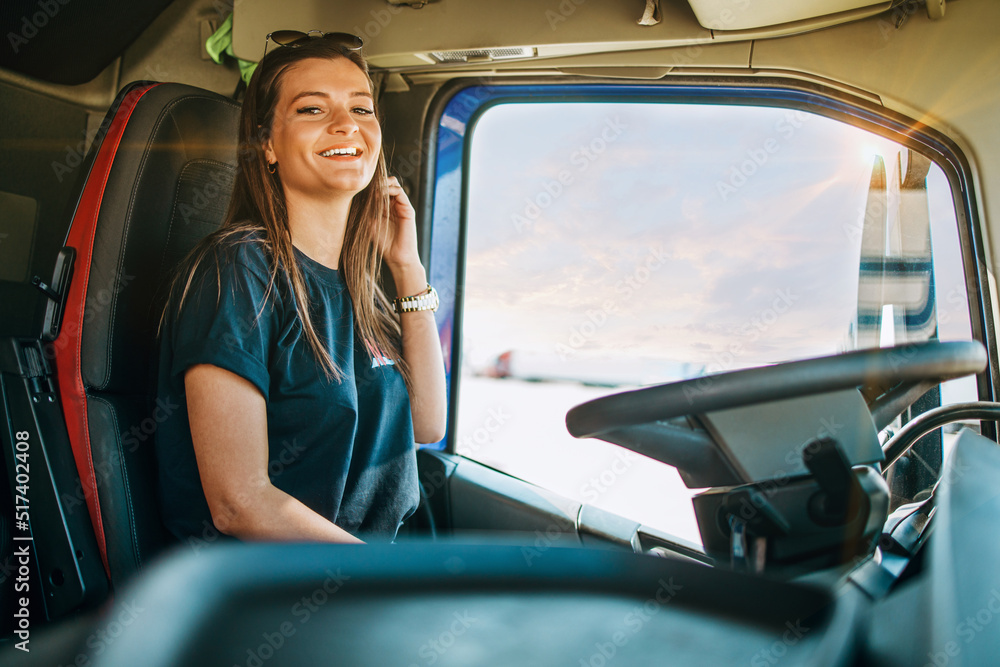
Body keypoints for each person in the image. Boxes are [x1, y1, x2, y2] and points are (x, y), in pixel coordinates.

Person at [154, 31, 446, 545]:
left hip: (367, 581)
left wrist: (407, 267)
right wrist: (385, 580)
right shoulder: (238, 270)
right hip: (280, 596)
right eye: (313, 110)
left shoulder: (360, 283)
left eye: (362, 108)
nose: (346, 125)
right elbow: (239, 502)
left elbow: (425, 426)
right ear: (267, 142)